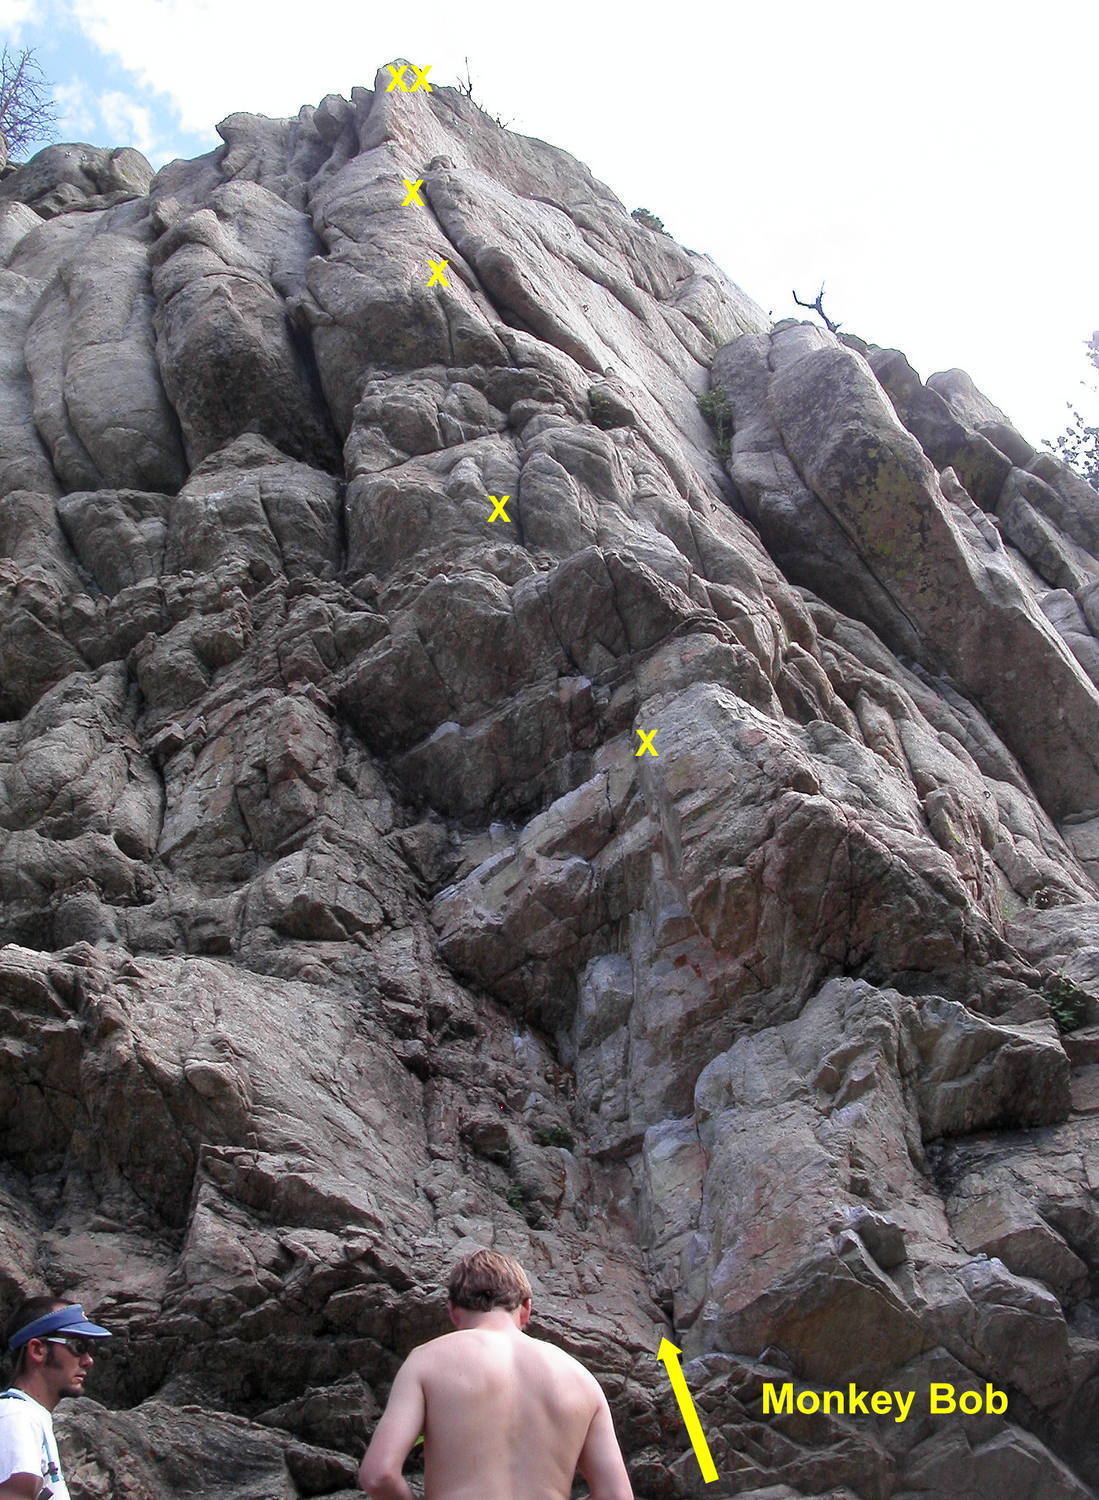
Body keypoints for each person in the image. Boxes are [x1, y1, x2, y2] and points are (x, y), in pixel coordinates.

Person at [358, 1249, 633, 1500]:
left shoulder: (427, 1361)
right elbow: (617, 1496)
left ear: (453, 1311)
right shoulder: (580, 1377)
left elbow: (379, 1475)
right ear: (526, 1309)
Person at [0, 1297, 112, 1499]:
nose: (88, 1360)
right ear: (37, 1350)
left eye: (90, 1348)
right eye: (78, 1345)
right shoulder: (17, 1416)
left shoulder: (30, 1416)